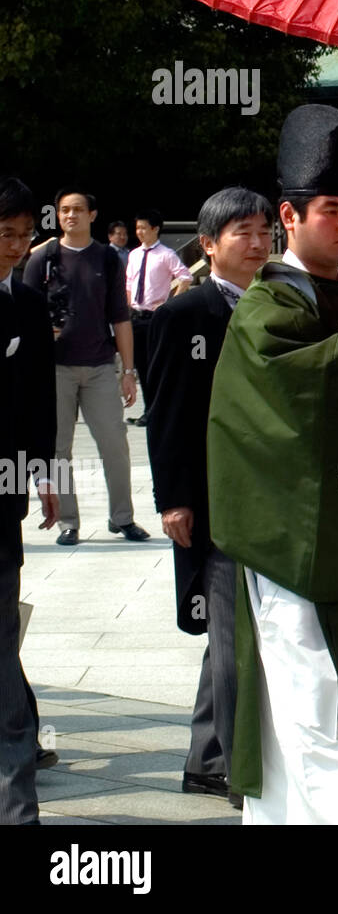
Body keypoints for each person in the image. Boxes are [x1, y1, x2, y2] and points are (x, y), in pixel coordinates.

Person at [207, 105, 338, 825]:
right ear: (289, 216)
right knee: (311, 720)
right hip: (294, 551)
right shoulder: (267, 303)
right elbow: (288, 385)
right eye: (332, 210)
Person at [145, 187, 273, 808]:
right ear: (209, 244)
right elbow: (167, 413)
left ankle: (207, 756)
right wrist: (173, 498)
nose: (257, 243)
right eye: (241, 233)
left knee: (231, 630)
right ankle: (235, 768)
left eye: (263, 231)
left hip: (266, 493)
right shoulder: (185, 315)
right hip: (212, 496)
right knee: (230, 635)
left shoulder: (277, 304)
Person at [22, 187, 146, 547]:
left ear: (93, 215)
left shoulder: (107, 258)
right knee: (59, 448)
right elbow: (26, 315)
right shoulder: (41, 258)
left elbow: (120, 318)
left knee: (115, 445)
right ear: (57, 216)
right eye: (63, 210)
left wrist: (128, 371)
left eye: (77, 209)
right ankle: (67, 522)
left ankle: (122, 517)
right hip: (54, 369)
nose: (70, 216)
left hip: (99, 365)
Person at [0, 178, 59, 825]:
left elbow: (38, 399)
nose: (17, 247)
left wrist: (46, 472)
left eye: (23, 234)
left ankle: (17, 807)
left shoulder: (23, 305)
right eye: (4, 233)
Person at [125, 208, 193, 427]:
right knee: (141, 366)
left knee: (156, 364)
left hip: (155, 317)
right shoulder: (134, 254)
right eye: (137, 228)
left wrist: (170, 304)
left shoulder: (166, 254)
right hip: (135, 316)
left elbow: (185, 277)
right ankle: (148, 409)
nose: (140, 232)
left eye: (144, 227)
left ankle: (157, 409)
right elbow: (128, 283)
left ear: (155, 229)